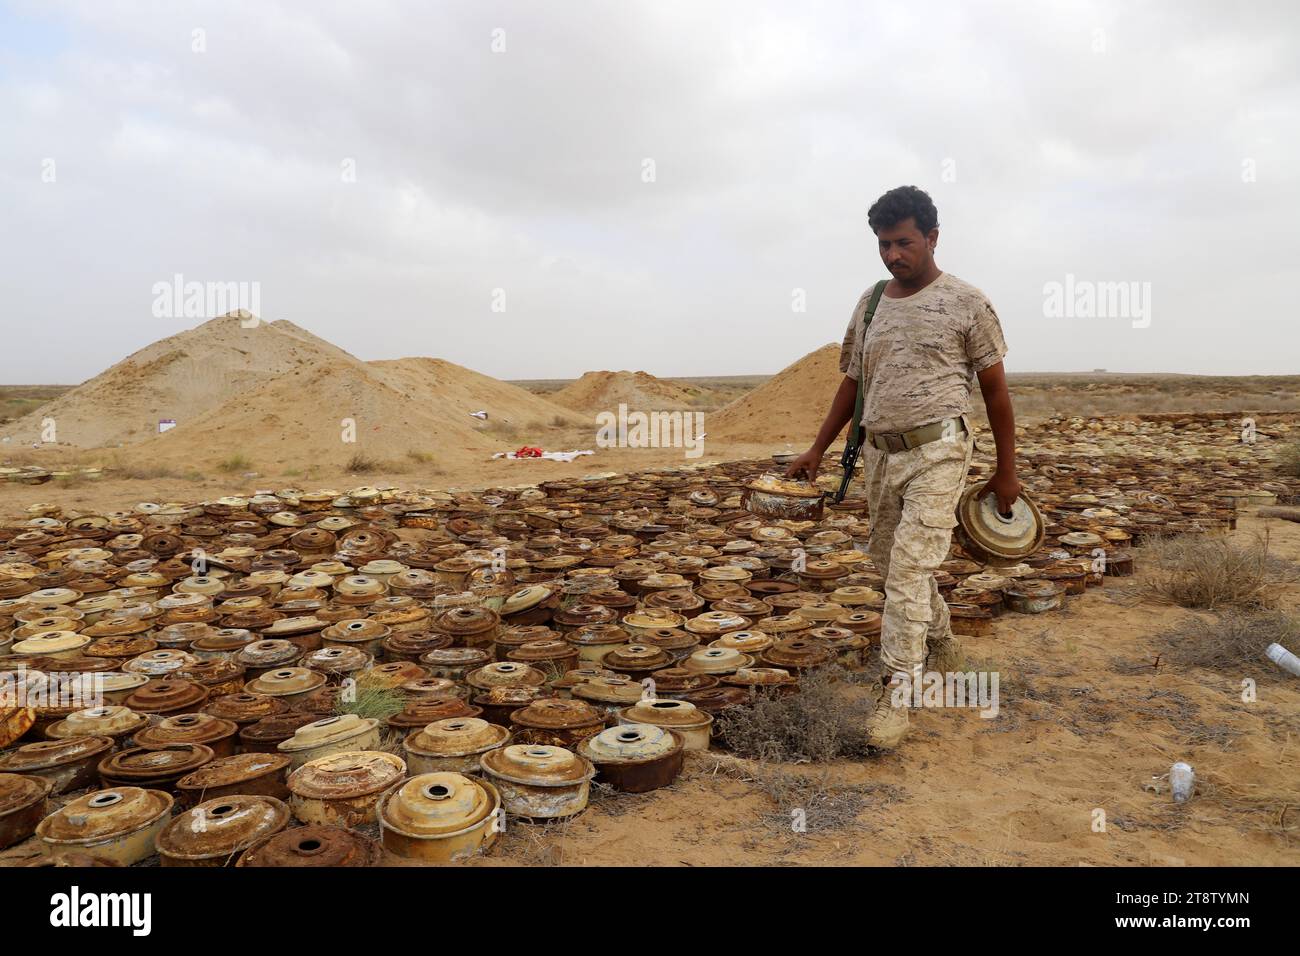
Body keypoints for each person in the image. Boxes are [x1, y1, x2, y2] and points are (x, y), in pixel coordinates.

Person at [784, 185, 1021, 749]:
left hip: (939, 451)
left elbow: (996, 394)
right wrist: (818, 449)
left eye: (905, 243)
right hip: (878, 455)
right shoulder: (870, 304)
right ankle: (940, 644)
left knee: (911, 570)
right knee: (892, 567)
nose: (894, 255)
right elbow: (853, 381)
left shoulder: (968, 303)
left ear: (933, 238)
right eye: (885, 245)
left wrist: (1006, 471)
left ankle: (897, 694)